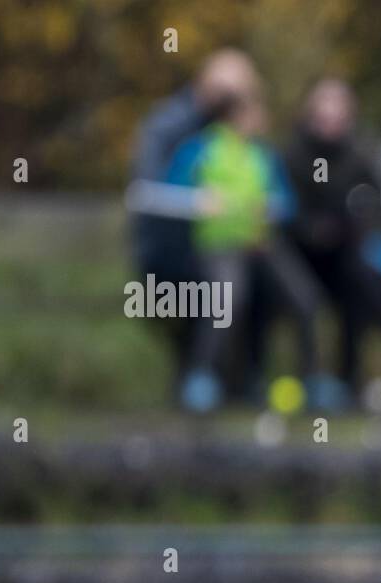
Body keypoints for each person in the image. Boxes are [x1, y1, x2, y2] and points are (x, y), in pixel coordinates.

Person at [164, 90, 327, 412]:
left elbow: (287, 202)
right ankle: (201, 378)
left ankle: (312, 379)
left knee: (306, 298)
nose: (261, 119)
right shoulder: (201, 149)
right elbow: (172, 189)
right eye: (255, 111)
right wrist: (200, 199)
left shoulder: (263, 154)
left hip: (260, 243)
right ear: (235, 115)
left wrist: (271, 208)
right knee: (228, 300)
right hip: (219, 244)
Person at [128, 49, 261, 386]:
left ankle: (239, 382)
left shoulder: (237, 135)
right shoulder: (169, 125)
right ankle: (201, 381)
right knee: (223, 289)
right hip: (169, 253)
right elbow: (143, 192)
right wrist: (197, 202)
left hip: (222, 248)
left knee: (268, 280)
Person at [286, 78, 381, 405]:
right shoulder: (294, 154)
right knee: (303, 298)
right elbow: (287, 210)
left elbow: (380, 203)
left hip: (346, 257)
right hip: (302, 254)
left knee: (360, 288)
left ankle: (350, 380)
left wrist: (361, 225)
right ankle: (308, 381)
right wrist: (313, 230)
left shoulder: (360, 153)